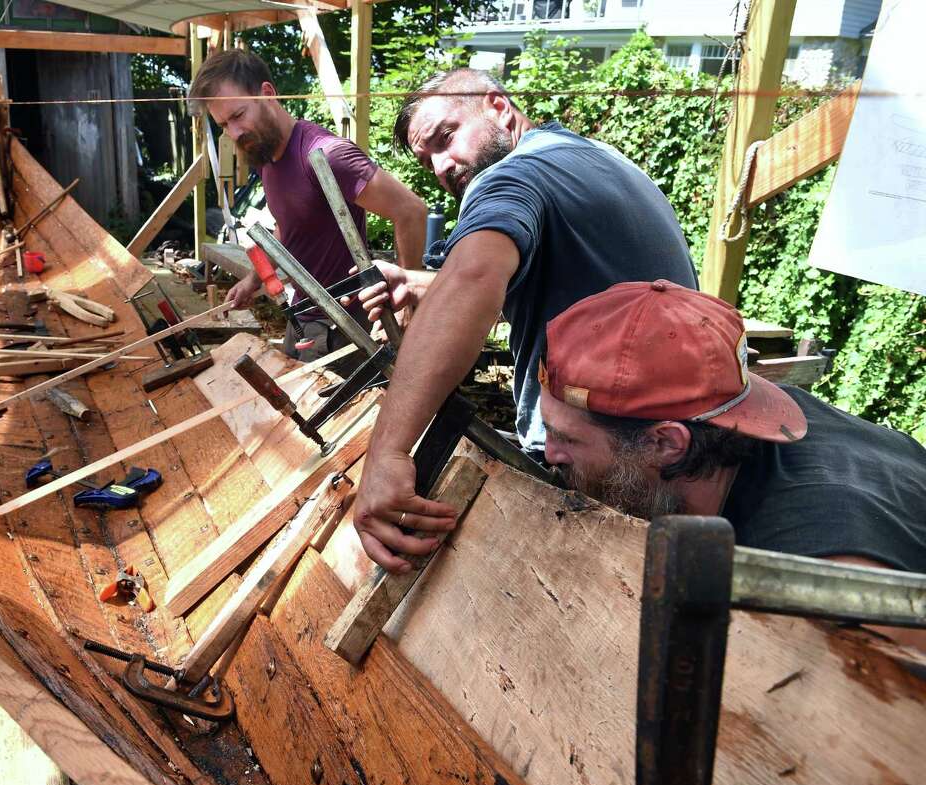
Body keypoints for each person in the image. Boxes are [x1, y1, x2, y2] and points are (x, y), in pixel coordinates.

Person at [350, 68, 697, 568]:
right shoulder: (597, 159)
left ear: (498, 106)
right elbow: (551, 280)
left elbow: (473, 280)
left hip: (605, 471)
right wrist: (421, 281)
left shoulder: (507, 177)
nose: (443, 166)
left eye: (446, 138)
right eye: (429, 162)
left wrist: (388, 454)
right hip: (679, 452)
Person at [539, 281, 926, 648]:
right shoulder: (735, 413)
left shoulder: (817, 575)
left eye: (566, 438)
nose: (549, 453)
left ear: (665, 443)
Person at [188, 49, 427, 364]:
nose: (234, 133)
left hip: (344, 326)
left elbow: (411, 211)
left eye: (238, 115)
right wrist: (254, 279)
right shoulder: (268, 155)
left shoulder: (325, 154)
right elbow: (286, 229)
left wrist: (408, 305)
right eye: (224, 125)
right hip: (303, 315)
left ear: (268, 94)